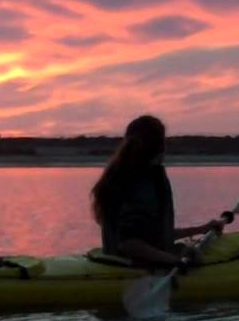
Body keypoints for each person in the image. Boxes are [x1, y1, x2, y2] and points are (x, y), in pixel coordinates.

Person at [91, 115, 223, 268]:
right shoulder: (142, 183)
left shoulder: (119, 175)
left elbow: (152, 235)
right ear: (159, 146)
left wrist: (202, 229)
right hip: (134, 269)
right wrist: (175, 260)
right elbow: (128, 244)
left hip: (118, 262)